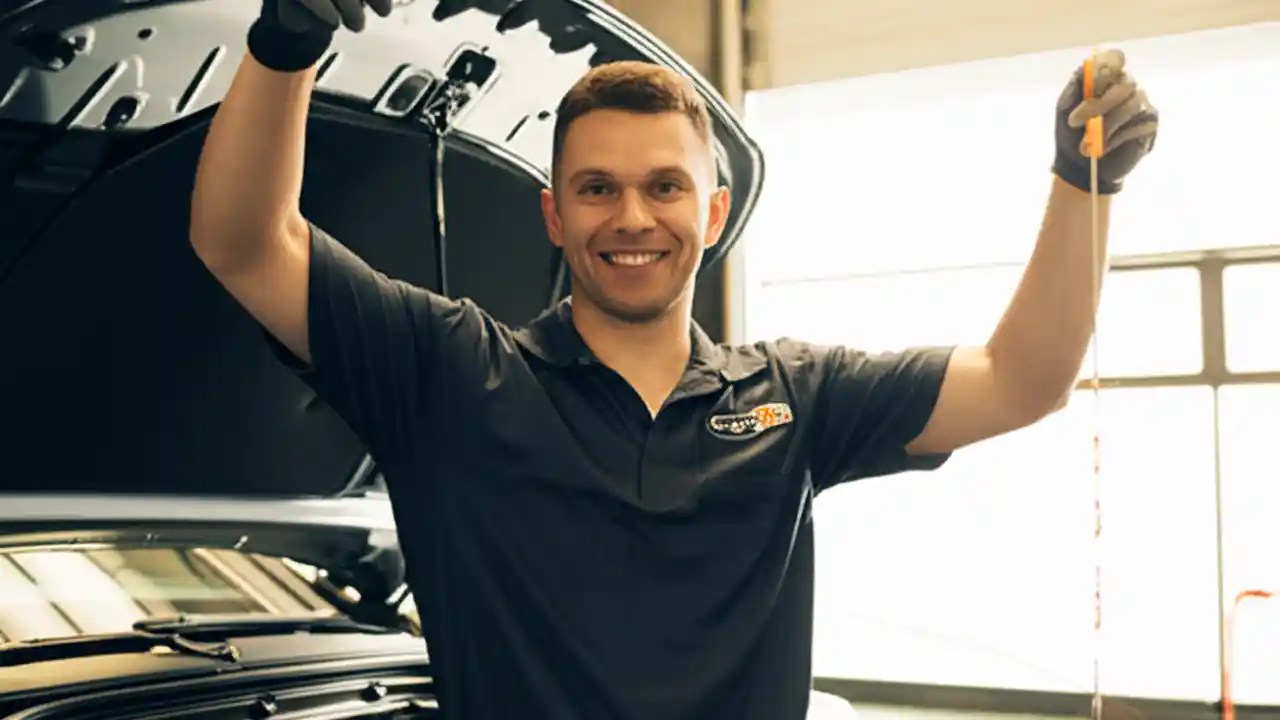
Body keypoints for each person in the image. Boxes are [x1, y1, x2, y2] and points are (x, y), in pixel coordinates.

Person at [188, 0, 1159, 717]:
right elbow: (243, 243)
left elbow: (1022, 380)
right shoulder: (449, 373)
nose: (632, 217)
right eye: (596, 189)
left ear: (712, 212)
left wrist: (1084, 185)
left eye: (664, 187)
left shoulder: (796, 394)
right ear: (554, 214)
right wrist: (288, 41)